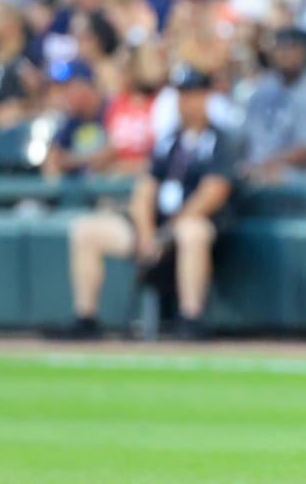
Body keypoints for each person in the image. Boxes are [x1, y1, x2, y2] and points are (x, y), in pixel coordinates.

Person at [56, 66, 237, 341]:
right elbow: (145, 190)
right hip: (157, 228)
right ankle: (86, 319)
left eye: (193, 94)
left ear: (206, 97)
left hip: (197, 229)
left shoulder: (221, 140)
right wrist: (148, 234)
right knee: (85, 230)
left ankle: (191, 318)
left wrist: (167, 232)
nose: (186, 101)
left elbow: (213, 193)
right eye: (181, 95)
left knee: (192, 231)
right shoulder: (168, 141)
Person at [240, 28, 306, 184]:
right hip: (264, 168)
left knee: (278, 177)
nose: (285, 54)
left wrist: (266, 164)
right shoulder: (263, 88)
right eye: (280, 48)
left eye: (291, 48)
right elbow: (248, 137)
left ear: (304, 51)